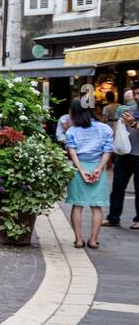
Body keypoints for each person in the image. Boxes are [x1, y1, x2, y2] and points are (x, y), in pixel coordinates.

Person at [65, 100, 113, 249]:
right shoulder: (105, 128)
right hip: (98, 165)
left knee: (77, 205)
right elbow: (108, 150)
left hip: (80, 167)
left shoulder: (72, 131)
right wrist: (99, 168)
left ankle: (78, 240)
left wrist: (81, 170)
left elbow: (72, 152)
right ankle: (93, 240)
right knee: (96, 206)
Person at [106, 90, 139, 229]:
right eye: (135, 93)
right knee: (117, 188)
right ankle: (113, 218)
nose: (136, 97)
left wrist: (133, 124)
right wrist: (112, 150)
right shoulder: (126, 109)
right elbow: (116, 128)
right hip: (124, 154)